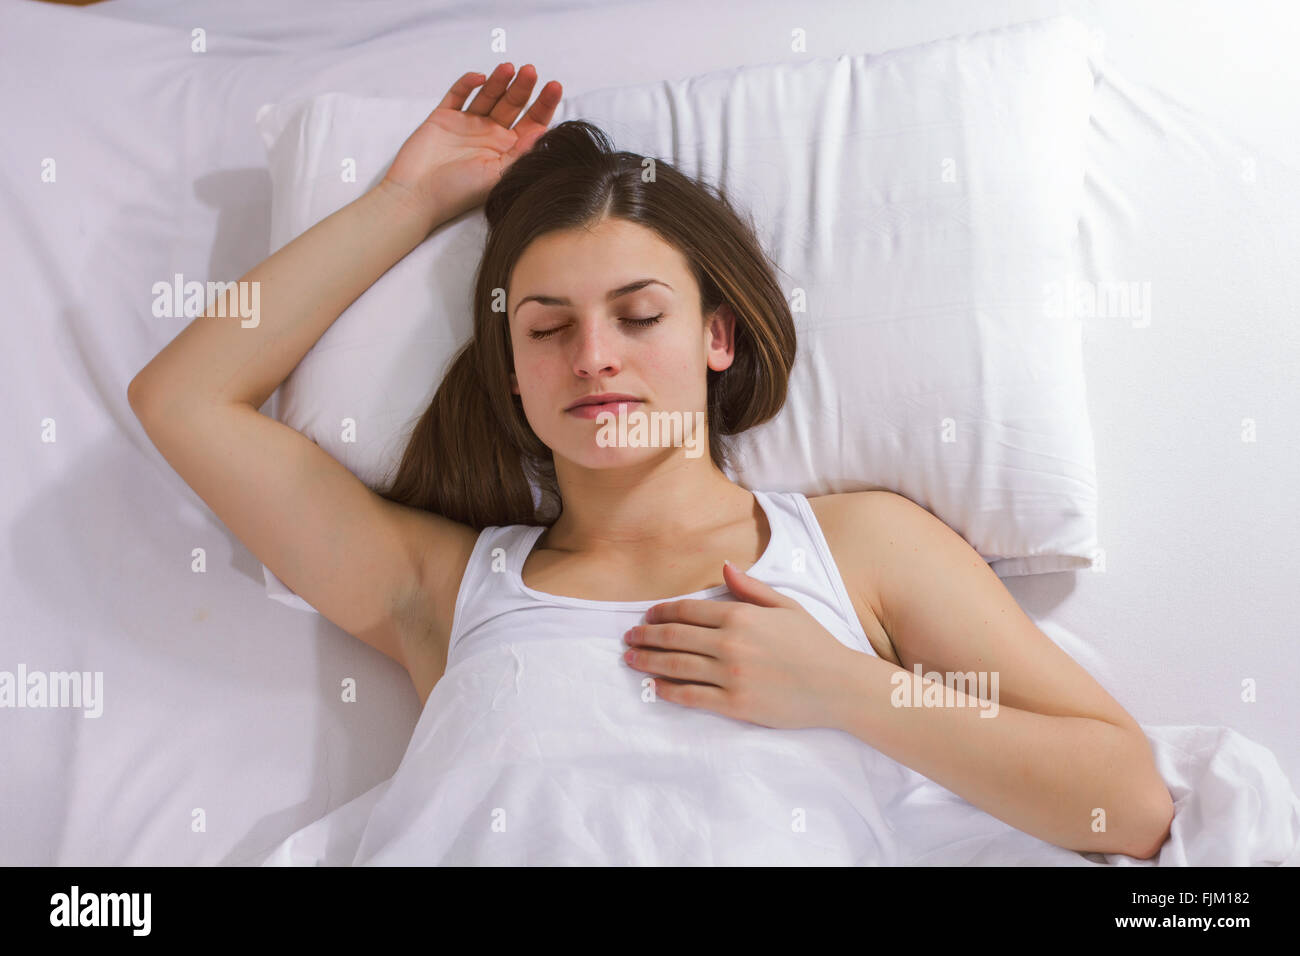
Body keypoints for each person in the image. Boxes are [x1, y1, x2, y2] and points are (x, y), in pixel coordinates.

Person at [130, 62, 1173, 863]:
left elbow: (1125, 802)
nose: (594, 357)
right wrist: (406, 201)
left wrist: (847, 688)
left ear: (717, 337)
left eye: (638, 314)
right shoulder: (447, 587)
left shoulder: (852, 547)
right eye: (546, 330)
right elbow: (181, 399)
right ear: (512, 375)